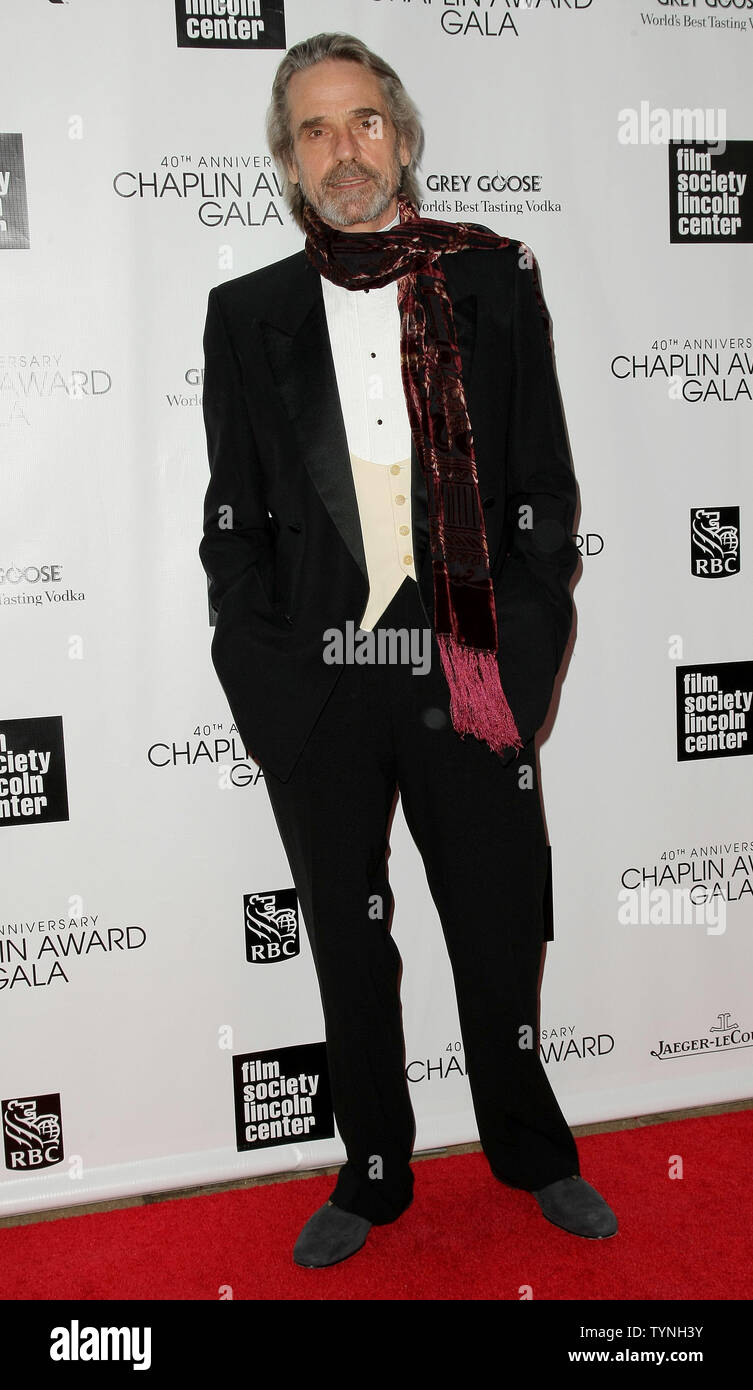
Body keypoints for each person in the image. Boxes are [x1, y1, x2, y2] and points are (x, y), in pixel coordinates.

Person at [199, 31, 617, 1268]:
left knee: (497, 926)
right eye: (317, 129)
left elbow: (543, 489)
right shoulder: (247, 314)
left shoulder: (495, 284)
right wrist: (270, 674)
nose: (345, 149)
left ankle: (534, 1152)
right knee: (346, 936)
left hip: (470, 668)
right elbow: (232, 522)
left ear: (403, 136)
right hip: (321, 683)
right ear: (287, 159)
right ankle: (374, 1170)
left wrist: (520, 644)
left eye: (365, 122)